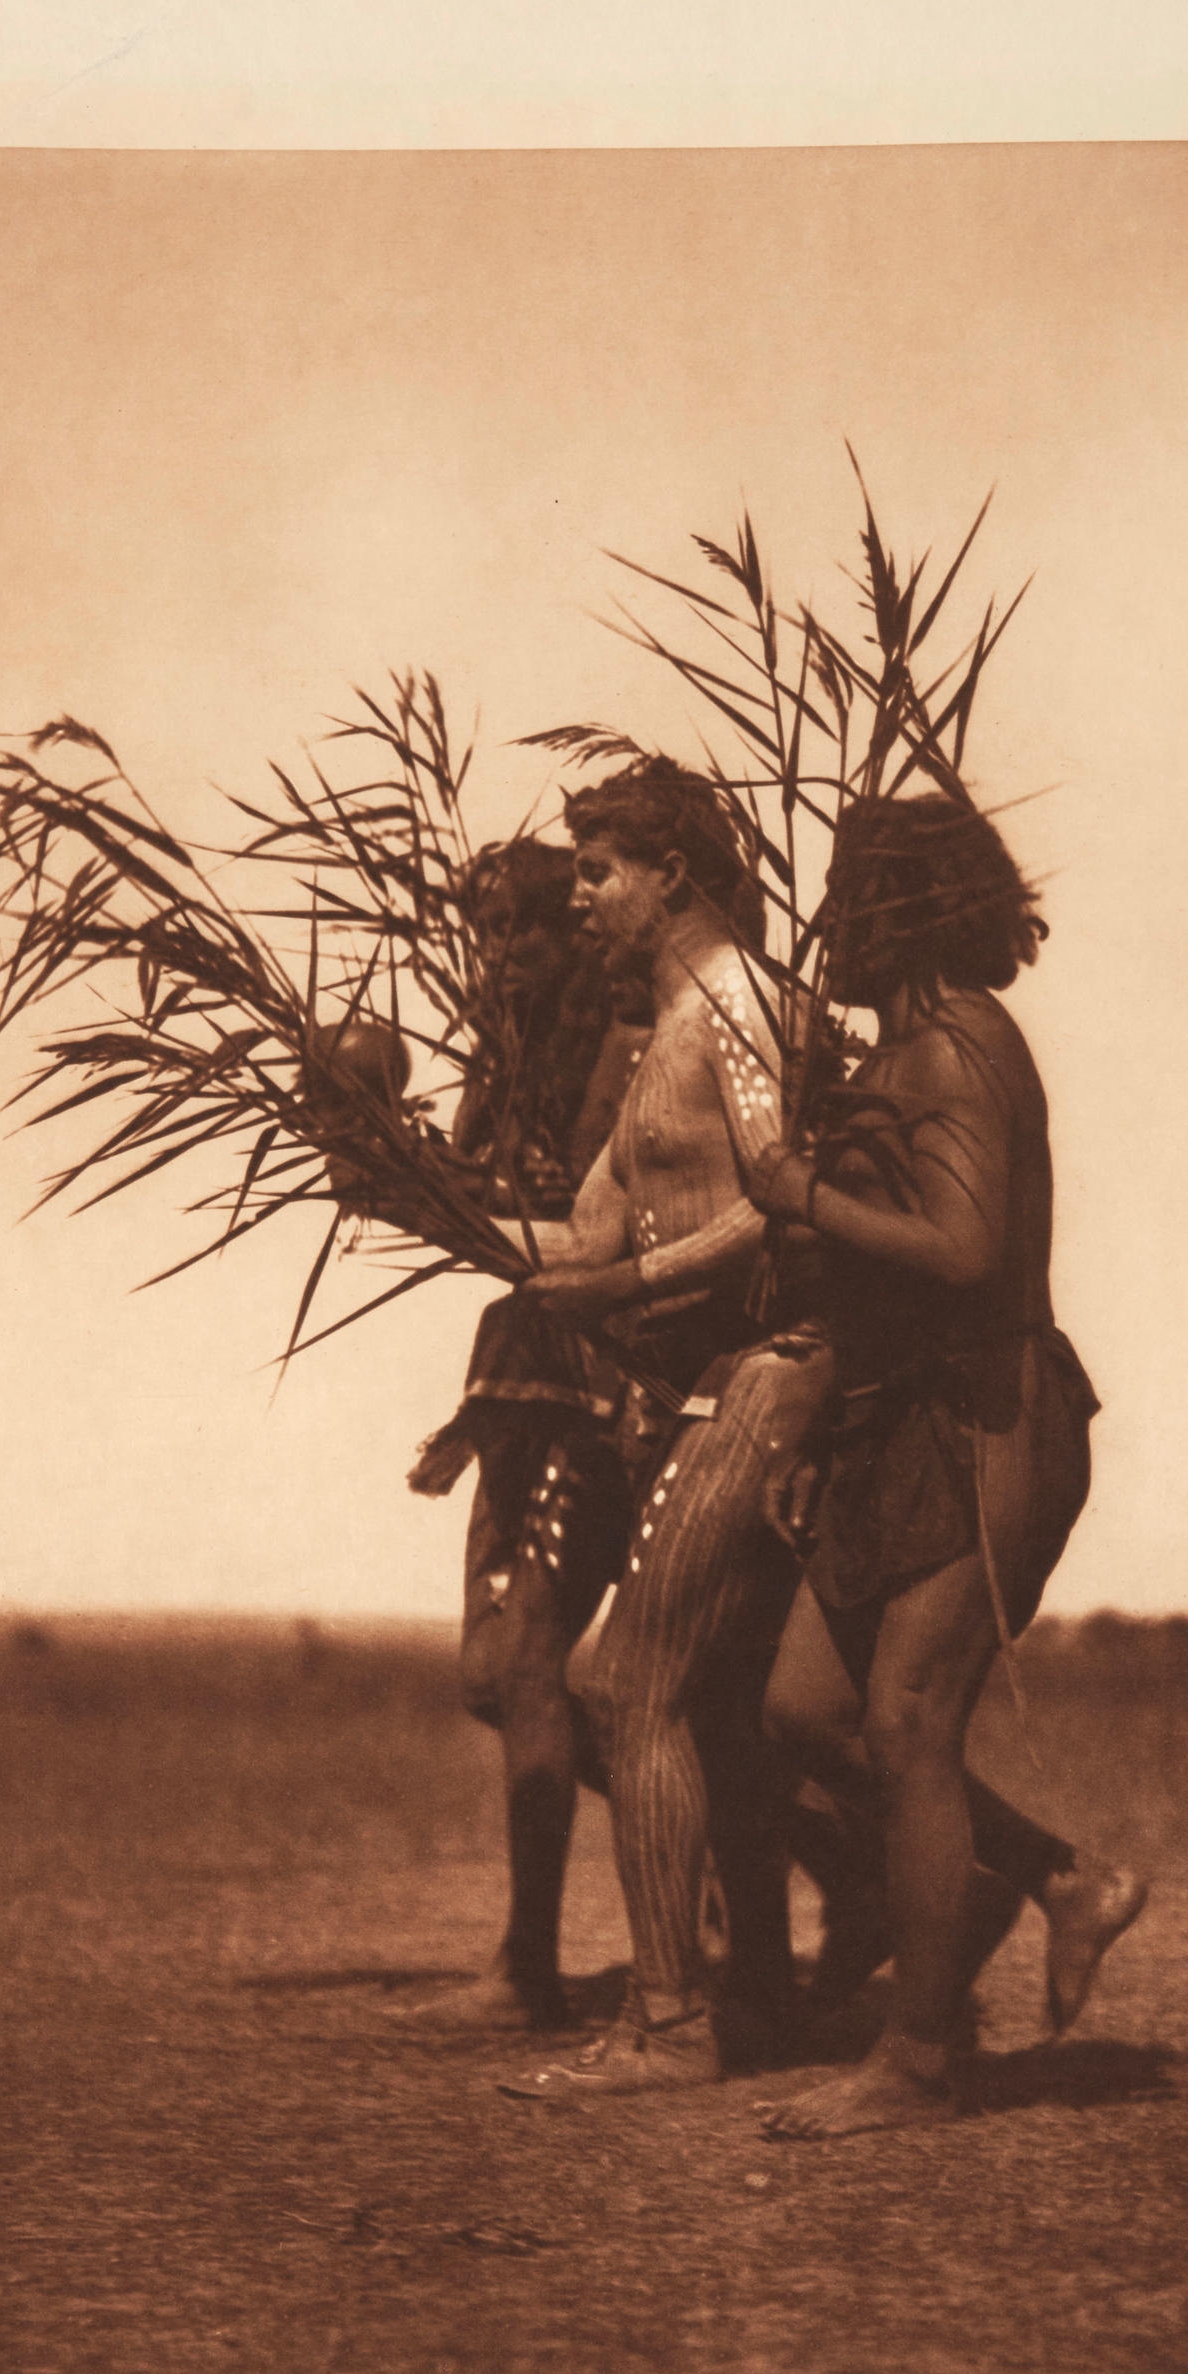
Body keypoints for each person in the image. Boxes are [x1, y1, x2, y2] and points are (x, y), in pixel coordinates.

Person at [746, 792, 1147, 2139]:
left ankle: (914, 2064)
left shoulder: (958, 1050)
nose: (822, 926)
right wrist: (816, 1415)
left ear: (893, 909)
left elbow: (967, 1257)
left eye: (842, 900)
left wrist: (800, 1195)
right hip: (894, 1418)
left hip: (988, 1418)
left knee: (911, 1721)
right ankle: (1049, 1877)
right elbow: (883, 1283)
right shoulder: (901, 1052)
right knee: (806, 1708)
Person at [492, 759, 832, 2098]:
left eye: (596, 872)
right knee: (674, 1696)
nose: (578, 898)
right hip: (718, 1383)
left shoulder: (732, 1005)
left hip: (765, 1375)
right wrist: (388, 1184)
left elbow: (778, 1204)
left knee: (622, 1684)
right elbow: (576, 1234)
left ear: (670, 875)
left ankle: (672, 2023)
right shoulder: (666, 1028)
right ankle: (720, 1999)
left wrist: (627, 1286)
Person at [326, 838, 650, 2034]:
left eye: (524, 928)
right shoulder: (506, 1060)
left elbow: (578, 1227)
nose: (500, 952)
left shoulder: (626, 1052)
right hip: (523, 1376)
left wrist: (439, 1190)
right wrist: (371, 1146)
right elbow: (473, 1194)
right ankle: (780, 1836)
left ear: (574, 932)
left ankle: (529, 1969)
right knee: (491, 1677)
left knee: (523, 1668)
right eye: (484, 931)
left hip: (604, 1379)